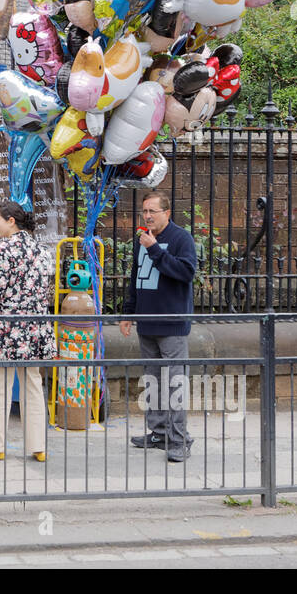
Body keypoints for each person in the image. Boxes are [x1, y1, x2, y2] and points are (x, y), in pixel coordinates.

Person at [119, 191, 198, 462]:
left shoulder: (181, 238)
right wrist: (129, 312)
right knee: (152, 382)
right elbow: (136, 276)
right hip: (147, 323)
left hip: (172, 324)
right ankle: (159, 432)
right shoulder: (143, 239)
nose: (148, 216)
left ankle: (179, 440)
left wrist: (154, 249)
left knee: (174, 384)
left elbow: (186, 272)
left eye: (153, 211)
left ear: (167, 213)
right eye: (145, 211)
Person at [0, 201, 55, 462]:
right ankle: (38, 446)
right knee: (32, 384)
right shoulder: (42, 250)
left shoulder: (3, 249)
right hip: (34, 327)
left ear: (11, 221)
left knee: (0, 385)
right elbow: (46, 290)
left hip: (5, 328)